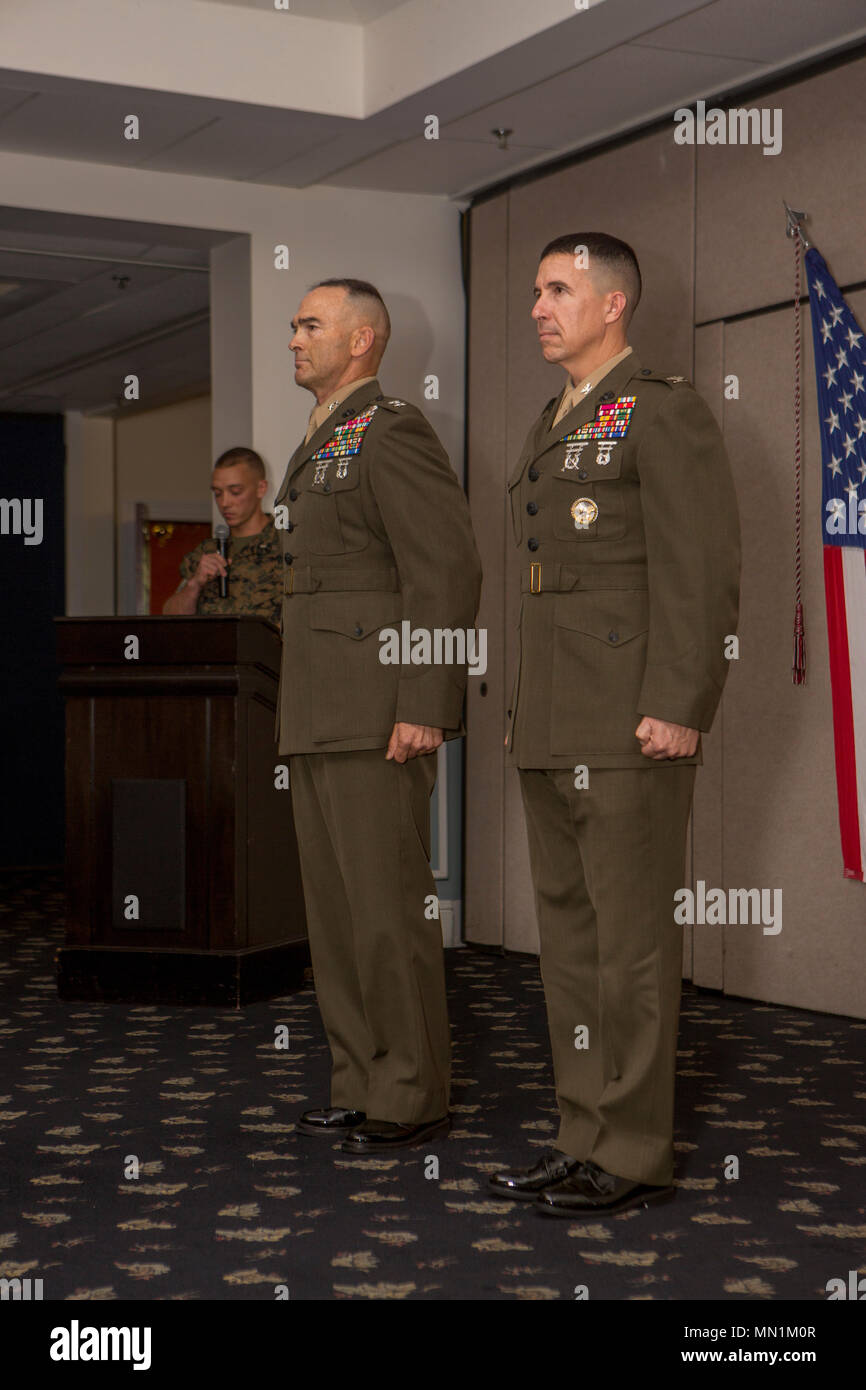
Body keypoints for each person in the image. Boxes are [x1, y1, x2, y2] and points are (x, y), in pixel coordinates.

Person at [489, 232, 740, 1217]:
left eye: (558, 290)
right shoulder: (553, 417)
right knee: (571, 944)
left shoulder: (661, 409)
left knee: (629, 945)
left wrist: (679, 703)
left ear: (612, 305)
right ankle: (579, 1130)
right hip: (555, 717)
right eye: (535, 291)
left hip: (633, 722)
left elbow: (700, 569)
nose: (539, 307)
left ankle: (630, 1150)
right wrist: (524, 713)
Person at [275, 278, 482, 1152]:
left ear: (362, 340)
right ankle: (358, 1078)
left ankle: (411, 1092)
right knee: (334, 913)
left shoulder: (390, 428)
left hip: (376, 708)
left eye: (310, 325)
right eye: (293, 326)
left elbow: (446, 567)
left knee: (390, 912)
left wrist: (426, 705)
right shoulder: (321, 438)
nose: (293, 338)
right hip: (317, 708)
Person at [162, 447, 282, 624]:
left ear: (261, 488)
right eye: (218, 493)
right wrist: (195, 585)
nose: (224, 503)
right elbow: (169, 619)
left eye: (235, 492)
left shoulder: (287, 546)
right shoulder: (206, 551)